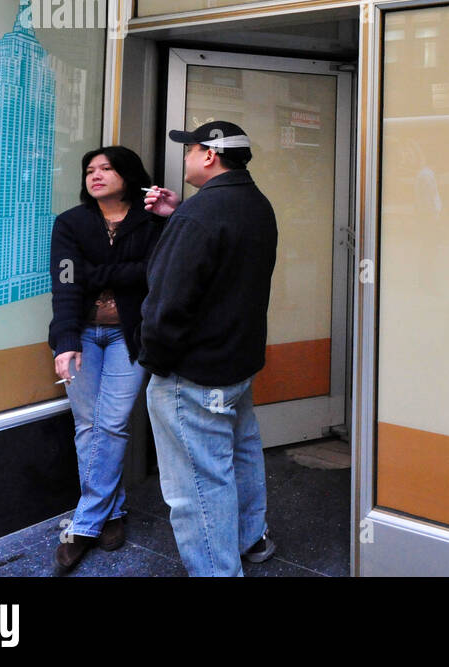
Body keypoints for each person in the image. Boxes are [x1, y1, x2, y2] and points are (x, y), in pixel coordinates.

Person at [140, 120, 279, 577]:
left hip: (193, 375)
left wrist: (156, 365)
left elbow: (167, 306)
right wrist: (180, 216)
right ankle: (250, 539)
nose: (184, 158)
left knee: (198, 484)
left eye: (189, 150)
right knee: (240, 452)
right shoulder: (255, 203)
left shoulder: (198, 217)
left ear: (210, 156)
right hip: (237, 365)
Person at [48, 145, 166, 575]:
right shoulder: (70, 223)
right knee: (87, 425)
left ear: (129, 175)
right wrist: (64, 341)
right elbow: (64, 280)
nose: (95, 175)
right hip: (79, 334)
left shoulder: (152, 221)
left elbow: (154, 273)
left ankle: (85, 524)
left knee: (111, 422)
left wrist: (93, 272)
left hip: (127, 335)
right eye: (90, 170)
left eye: (107, 168)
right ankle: (112, 512)